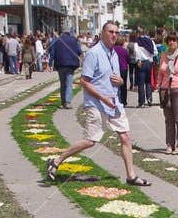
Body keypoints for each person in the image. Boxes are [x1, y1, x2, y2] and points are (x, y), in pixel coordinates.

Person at [46, 21, 149, 187]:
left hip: (114, 104)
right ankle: (56, 161)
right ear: (102, 33)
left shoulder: (114, 54)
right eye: (110, 32)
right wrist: (103, 98)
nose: (114, 35)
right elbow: (84, 82)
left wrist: (121, 81)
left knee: (125, 137)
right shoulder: (93, 53)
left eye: (116, 32)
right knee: (90, 141)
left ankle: (131, 176)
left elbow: (116, 79)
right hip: (97, 104)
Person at [52, 27, 82, 109]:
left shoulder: (57, 40)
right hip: (71, 65)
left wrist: (51, 63)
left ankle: (63, 102)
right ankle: (68, 102)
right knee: (69, 83)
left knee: (62, 84)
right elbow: (79, 51)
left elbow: (52, 52)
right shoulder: (74, 40)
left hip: (60, 64)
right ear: (69, 32)